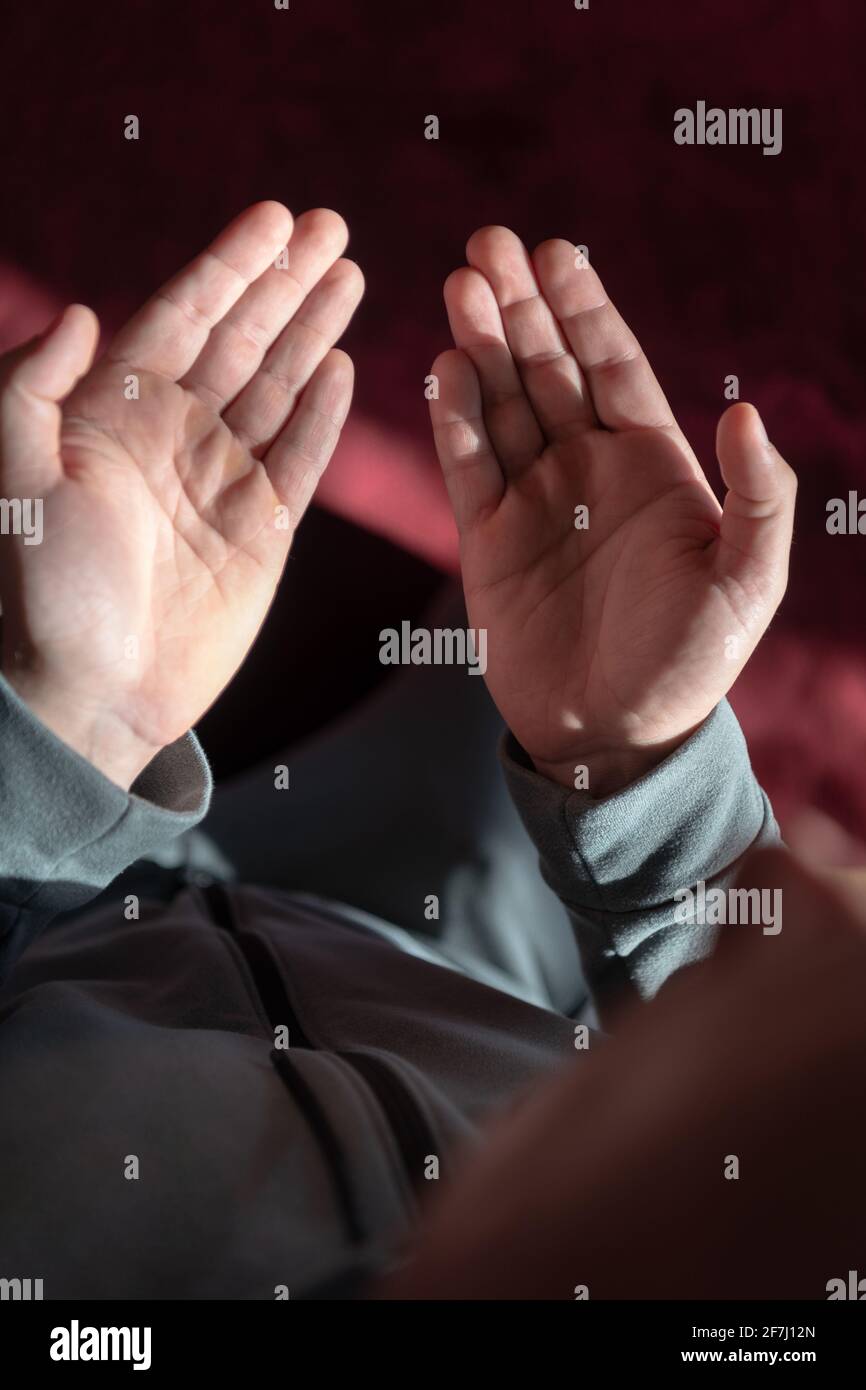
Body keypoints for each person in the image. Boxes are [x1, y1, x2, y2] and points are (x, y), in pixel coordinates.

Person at [0, 202, 824, 1301]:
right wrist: (634, 761)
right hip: (480, 928)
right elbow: (766, 1074)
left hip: (51, 905)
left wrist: (66, 727)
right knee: (546, 565)